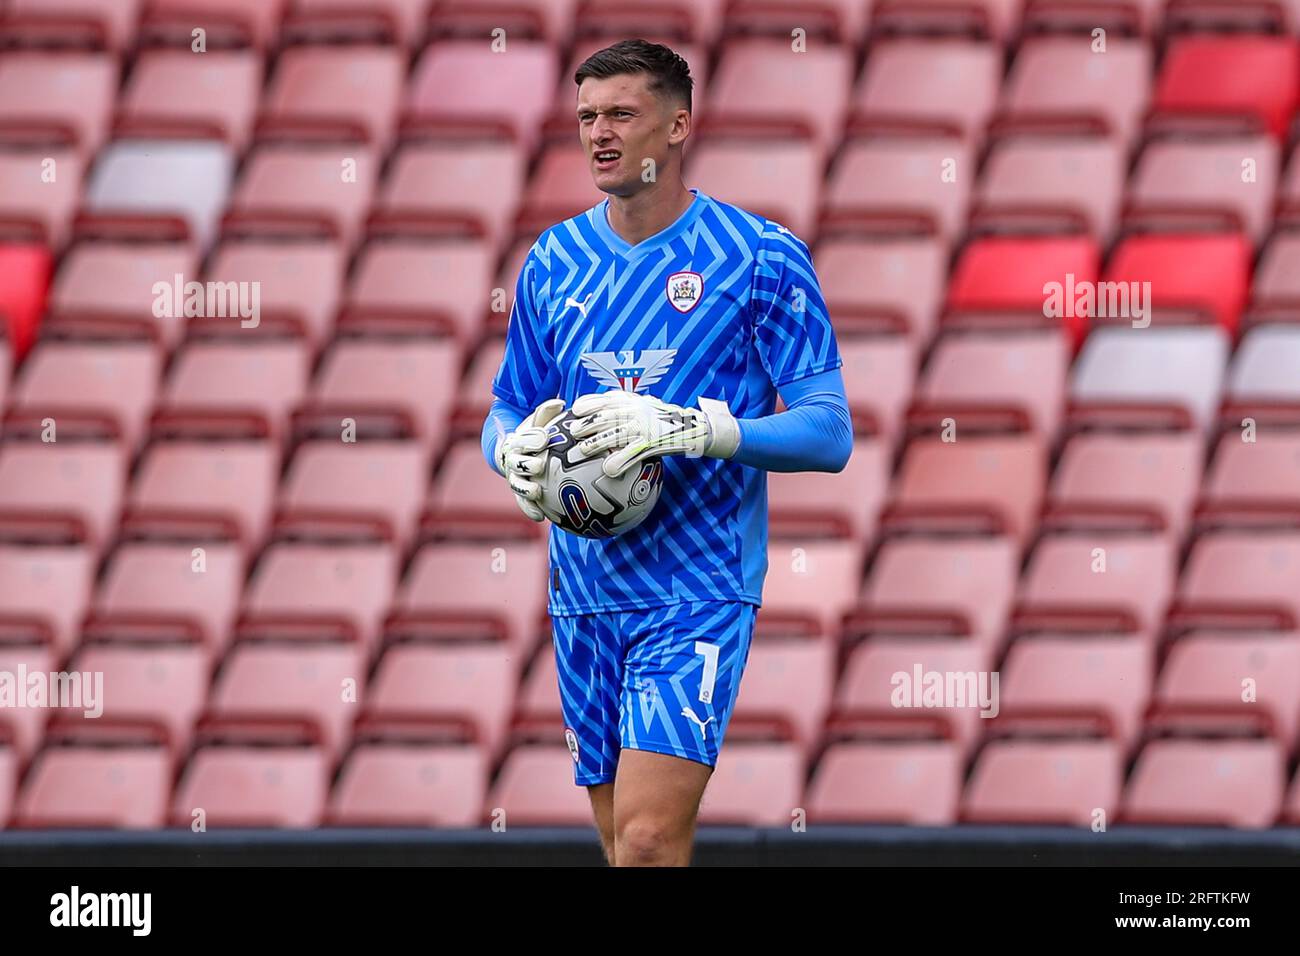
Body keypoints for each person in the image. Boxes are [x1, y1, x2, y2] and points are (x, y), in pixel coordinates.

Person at [482, 38, 852, 866]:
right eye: (586, 116)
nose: (599, 133)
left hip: (697, 589)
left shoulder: (759, 257)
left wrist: (700, 431)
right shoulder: (553, 262)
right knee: (626, 848)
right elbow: (508, 407)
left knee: (649, 842)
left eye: (622, 113)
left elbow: (830, 431)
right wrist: (511, 455)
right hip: (584, 590)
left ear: (679, 123)